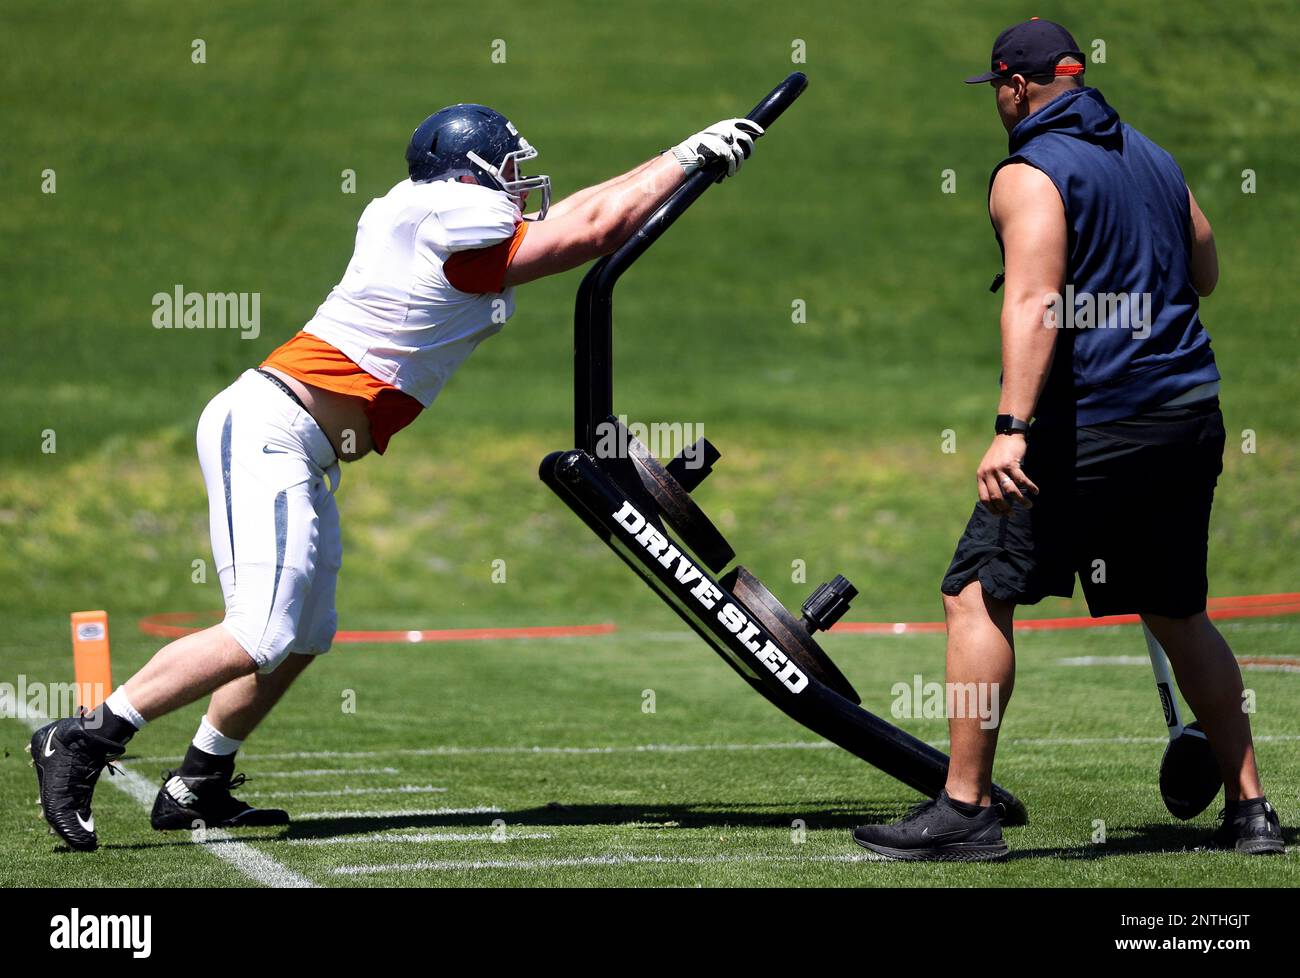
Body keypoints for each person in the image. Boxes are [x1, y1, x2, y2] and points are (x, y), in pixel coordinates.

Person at [30, 103, 763, 851]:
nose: (521, 184)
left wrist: (681, 158)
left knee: (307, 632)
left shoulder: (432, 213)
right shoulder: (448, 216)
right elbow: (593, 229)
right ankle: (85, 737)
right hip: (271, 428)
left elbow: (580, 213)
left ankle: (199, 781)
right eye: (508, 168)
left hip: (298, 441)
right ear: (471, 170)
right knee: (259, 630)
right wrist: (683, 159)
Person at [851, 18, 1282, 860]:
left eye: (998, 92)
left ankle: (966, 808)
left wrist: (1010, 431)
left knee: (976, 591)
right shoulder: (1151, 152)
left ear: (1014, 85)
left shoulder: (1029, 171)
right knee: (1177, 609)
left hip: (1094, 425)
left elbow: (1035, 301)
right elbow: (1205, 271)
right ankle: (1253, 812)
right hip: (1188, 413)